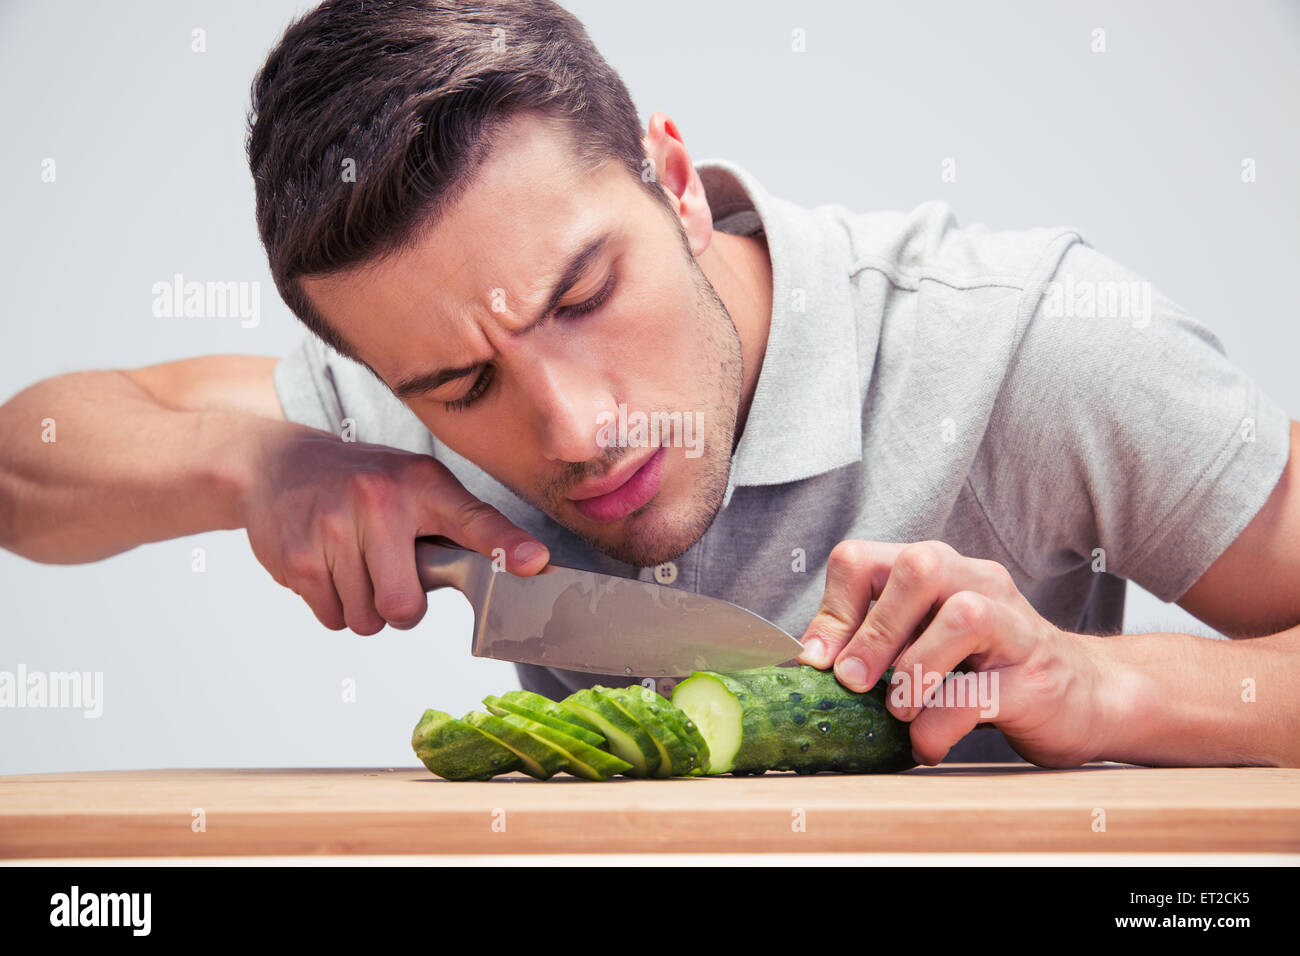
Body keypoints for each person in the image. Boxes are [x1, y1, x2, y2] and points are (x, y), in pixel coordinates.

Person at [2, 0, 1297, 767]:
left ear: (675, 184)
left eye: (584, 298)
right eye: (457, 383)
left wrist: (1104, 685)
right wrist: (254, 468)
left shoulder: (1031, 343)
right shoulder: (389, 415)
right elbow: (28, 460)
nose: (575, 426)